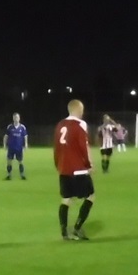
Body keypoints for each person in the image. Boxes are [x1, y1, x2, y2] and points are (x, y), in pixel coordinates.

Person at [53, 98, 94, 240]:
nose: (82, 113)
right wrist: (89, 165)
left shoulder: (60, 125)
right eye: (81, 110)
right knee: (90, 196)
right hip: (79, 169)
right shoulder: (81, 125)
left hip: (64, 168)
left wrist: (58, 164)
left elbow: (57, 148)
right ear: (77, 110)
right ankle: (77, 227)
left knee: (66, 199)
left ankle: (64, 231)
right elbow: (84, 147)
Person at [4, 112, 28, 179]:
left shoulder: (22, 127)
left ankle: (22, 175)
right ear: (13, 118)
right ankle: (9, 175)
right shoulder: (10, 127)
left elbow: (25, 136)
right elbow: (6, 136)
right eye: (14, 117)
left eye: (17, 117)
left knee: (20, 161)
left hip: (19, 148)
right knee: (9, 161)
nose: (16, 119)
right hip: (11, 147)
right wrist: (5, 144)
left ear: (19, 118)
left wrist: (26, 144)